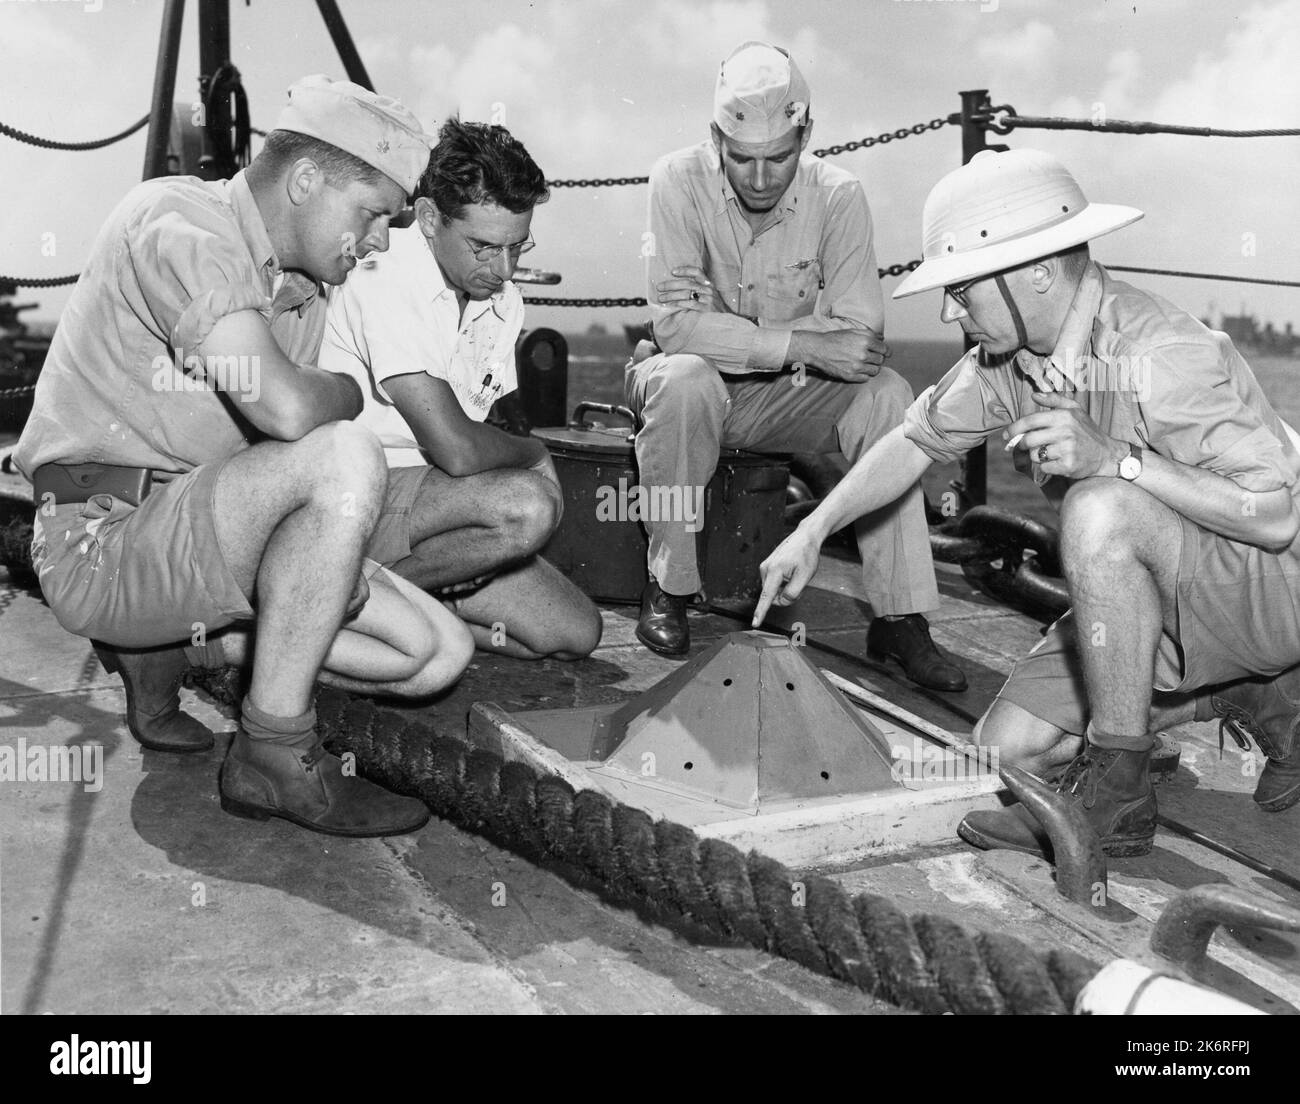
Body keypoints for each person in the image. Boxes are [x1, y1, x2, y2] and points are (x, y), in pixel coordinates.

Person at [754, 147, 1300, 857]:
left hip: (1274, 587)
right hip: (1176, 598)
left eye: (964, 287)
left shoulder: (1160, 352)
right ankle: (1257, 696)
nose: (952, 308)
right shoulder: (1012, 362)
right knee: (1007, 751)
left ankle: (1118, 793)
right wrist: (813, 529)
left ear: (1036, 272)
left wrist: (1115, 459)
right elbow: (912, 442)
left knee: (1100, 507)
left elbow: (1276, 514)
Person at [14, 75, 475, 838]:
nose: (378, 243)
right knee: (344, 452)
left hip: (197, 525)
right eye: (372, 214)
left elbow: (286, 427)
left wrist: (321, 399)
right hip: (101, 534)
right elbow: (290, 408)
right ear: (305, 180)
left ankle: (179, 647)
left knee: (435, 653)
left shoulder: (299, 289)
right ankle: (272, 750)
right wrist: (343, 394)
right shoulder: (174, 221)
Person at [627, 40, 964, 692]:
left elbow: (861, 336)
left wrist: (737, 336)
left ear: (806, 135)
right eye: (741, 158)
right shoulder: (674, 179)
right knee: (688, 376)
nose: (759, 178)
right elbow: (675, 328)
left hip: (782, 401)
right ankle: (668, 585)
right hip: (685, 391)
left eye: (778, 157)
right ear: (713, 137)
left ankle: (899, 619)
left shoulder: (839, 197)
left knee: (889, 394)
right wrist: (804, 343)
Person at [320, 118, 601, 660]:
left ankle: (399, 606)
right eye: (483, 246)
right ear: (428, 219)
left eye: (517, 247)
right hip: (357, 495)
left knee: (573, 634)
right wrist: (536, 452)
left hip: (429, 507)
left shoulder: (500, 297)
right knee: (526, 508)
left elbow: (475, 432)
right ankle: (337, 598)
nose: (503, 269)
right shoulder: (386, 275)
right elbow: (459, 447)